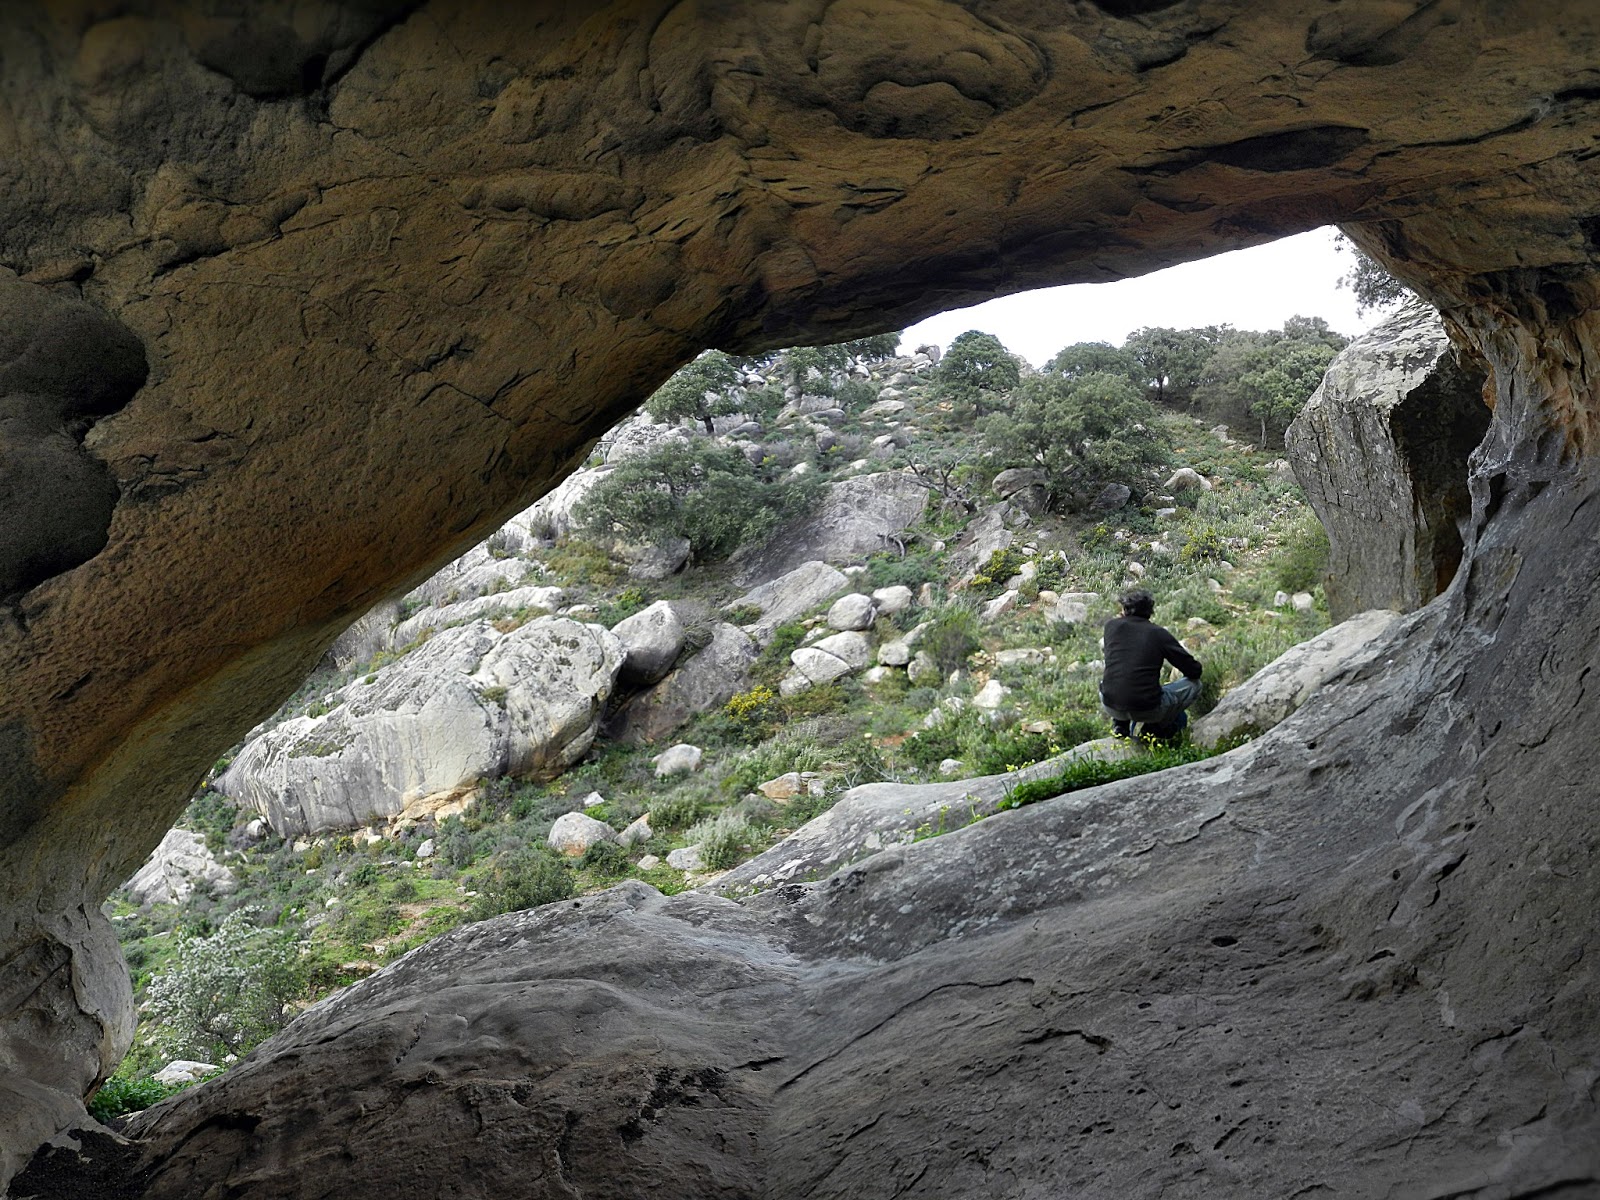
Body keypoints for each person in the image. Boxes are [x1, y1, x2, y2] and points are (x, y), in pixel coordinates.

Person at [1099, 588, 1203, 742]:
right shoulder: (1158, 633)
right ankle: (1153, 730)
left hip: (1110, 704)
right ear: (1150, 611)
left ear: (1124, 609)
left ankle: (1120, 725)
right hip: (1147, 708)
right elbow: (1194, 671)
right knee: (1195, 685)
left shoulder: (1111, 626)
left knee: (1117, 680)